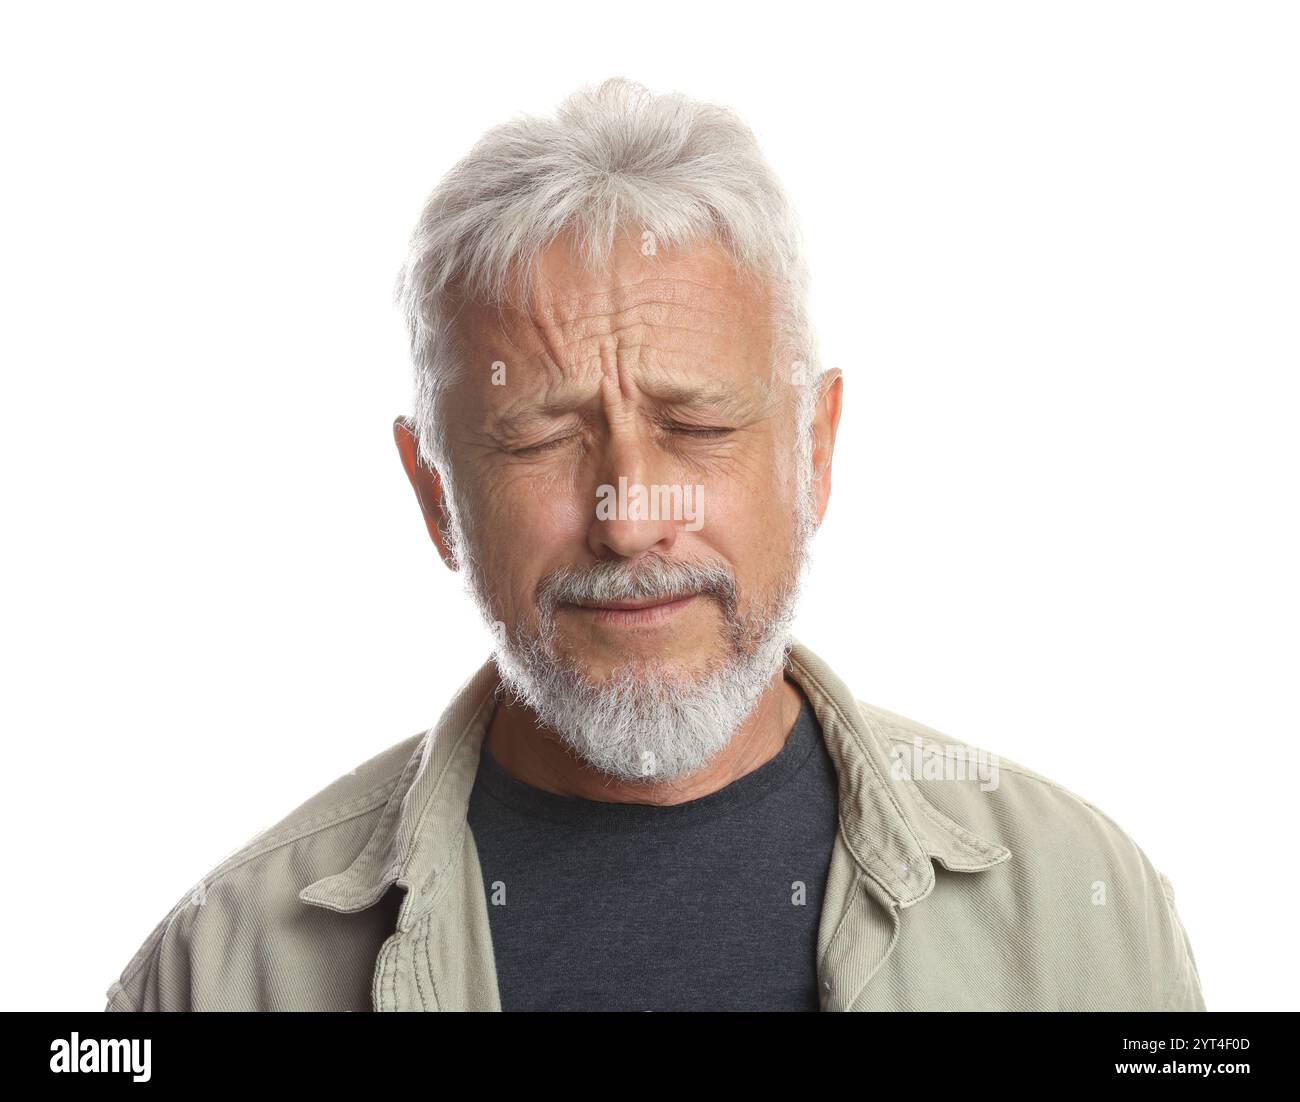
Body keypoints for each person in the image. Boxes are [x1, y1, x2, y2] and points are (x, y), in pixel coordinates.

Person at [105, 77, 1205, 1012]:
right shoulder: (217, 973)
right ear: (435, 494)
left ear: (814, 452)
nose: (629, 518)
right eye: (539, 437)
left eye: (698, 426)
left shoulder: (1086, 916)